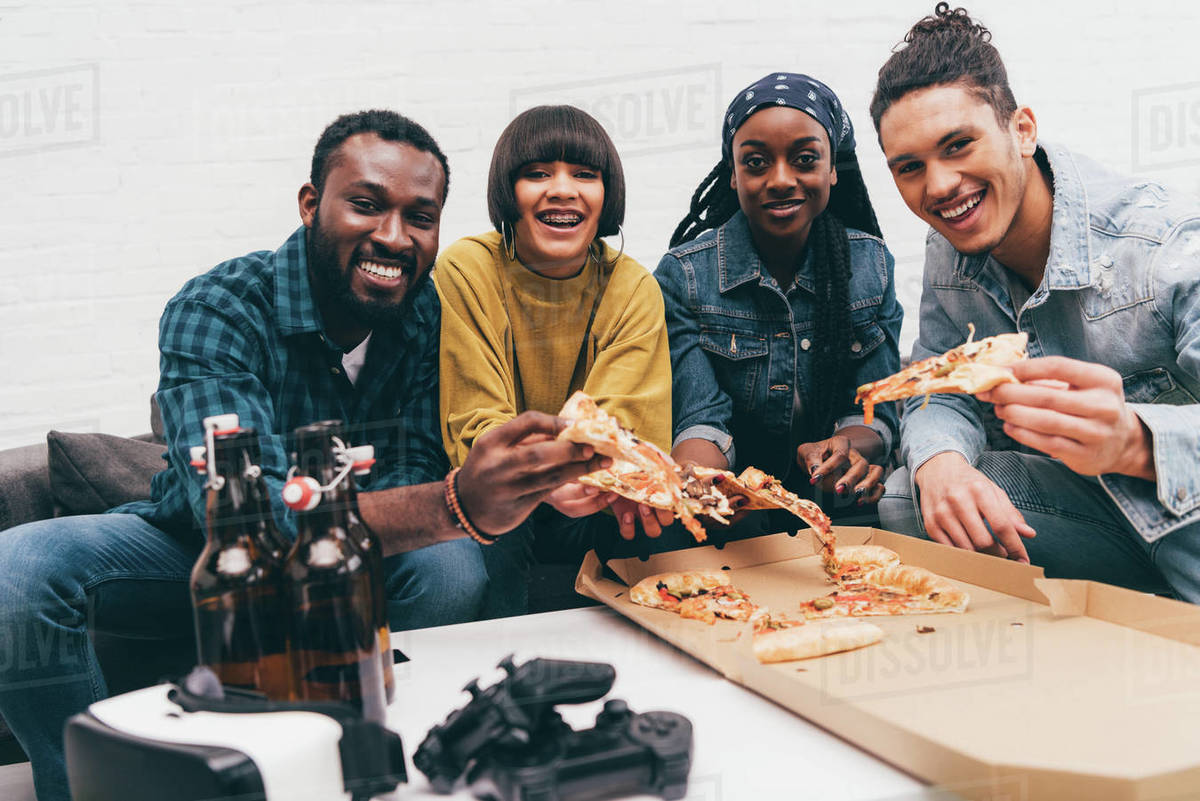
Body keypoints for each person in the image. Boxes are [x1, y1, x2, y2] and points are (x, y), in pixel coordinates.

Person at [0, 109, 607, 801]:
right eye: (367, 205)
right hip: (204, 554)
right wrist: (454, 502)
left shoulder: (424, 315)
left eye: (421, 216)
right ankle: (83, 788)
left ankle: (371, 770)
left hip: (352, 567)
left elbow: (412, 473)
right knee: (18, 568)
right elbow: (240, 510)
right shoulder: (219, 305)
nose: (393, 236)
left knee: (449, 566)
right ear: (311, 204)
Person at [871, 4, 1200, 603]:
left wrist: (1137, 440)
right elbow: (937, 383)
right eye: (911, 167)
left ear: (1021, 130)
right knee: (908, 494)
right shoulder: (952, 243)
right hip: (1101, 519)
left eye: (959, 145)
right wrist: (940, 464)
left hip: (1191, 521)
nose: (940, 186)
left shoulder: (1165, 245)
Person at [434, 105, 673, 616]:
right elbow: (474, 419)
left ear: (607, 196)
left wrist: (575, 475)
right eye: (537, 174)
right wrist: (543, 478)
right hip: (498, 487)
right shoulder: (466, 267)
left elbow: (626, 427)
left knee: (654, 520)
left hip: (594, 491)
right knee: (498, 526)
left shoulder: (632, 286)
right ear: (508, 192)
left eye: (584, 175)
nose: (563, 189)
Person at [654, 73, 903, 541]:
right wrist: (707, 486)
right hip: (732, 525)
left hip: (840, 512)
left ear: (833, 168)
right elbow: (699, 416)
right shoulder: (683, 276)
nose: (782, 179)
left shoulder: (872, 266)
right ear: (733, 173)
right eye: (756, 162)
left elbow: (875, 410)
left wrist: (848, 447)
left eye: (805, 159)